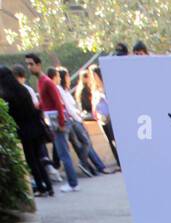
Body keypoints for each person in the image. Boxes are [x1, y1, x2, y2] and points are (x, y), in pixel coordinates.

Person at [25, 51, 78, 190]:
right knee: (62, 152)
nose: (29, 67)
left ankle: (73, 183)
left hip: (57, 121)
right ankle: (73, 183)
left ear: (38, 64)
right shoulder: (42, 82)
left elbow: (57, 102)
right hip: (53, 120)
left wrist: (61, 122)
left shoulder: (47, 82)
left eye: (31, 64)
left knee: (63, 153)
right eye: (28, 65)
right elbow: (46, 102)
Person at [0, 63, 54, 196]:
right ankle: (49, 186)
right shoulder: (23, 90)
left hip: (24, 131)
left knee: (31, 161)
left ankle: (41, 187)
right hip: (36, 128)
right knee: (39, 158)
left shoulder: (6, 95)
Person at [51, 66, 108, 176]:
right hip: (73, 120)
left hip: (74, 119)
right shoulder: (60, 90)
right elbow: (67, 107)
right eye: (67, 76)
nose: (68, 78)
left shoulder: (65, 90)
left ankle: (94, 167)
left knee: (84, 144)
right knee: (85, 143)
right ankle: (90, 165)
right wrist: (78, 118)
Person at [87, 66, 120, 169]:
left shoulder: (107, 86)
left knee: (115, 140)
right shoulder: (95, 90)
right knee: (110, 141)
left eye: (94, 75)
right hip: (102, 119)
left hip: (111, 117)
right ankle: (118, 161)